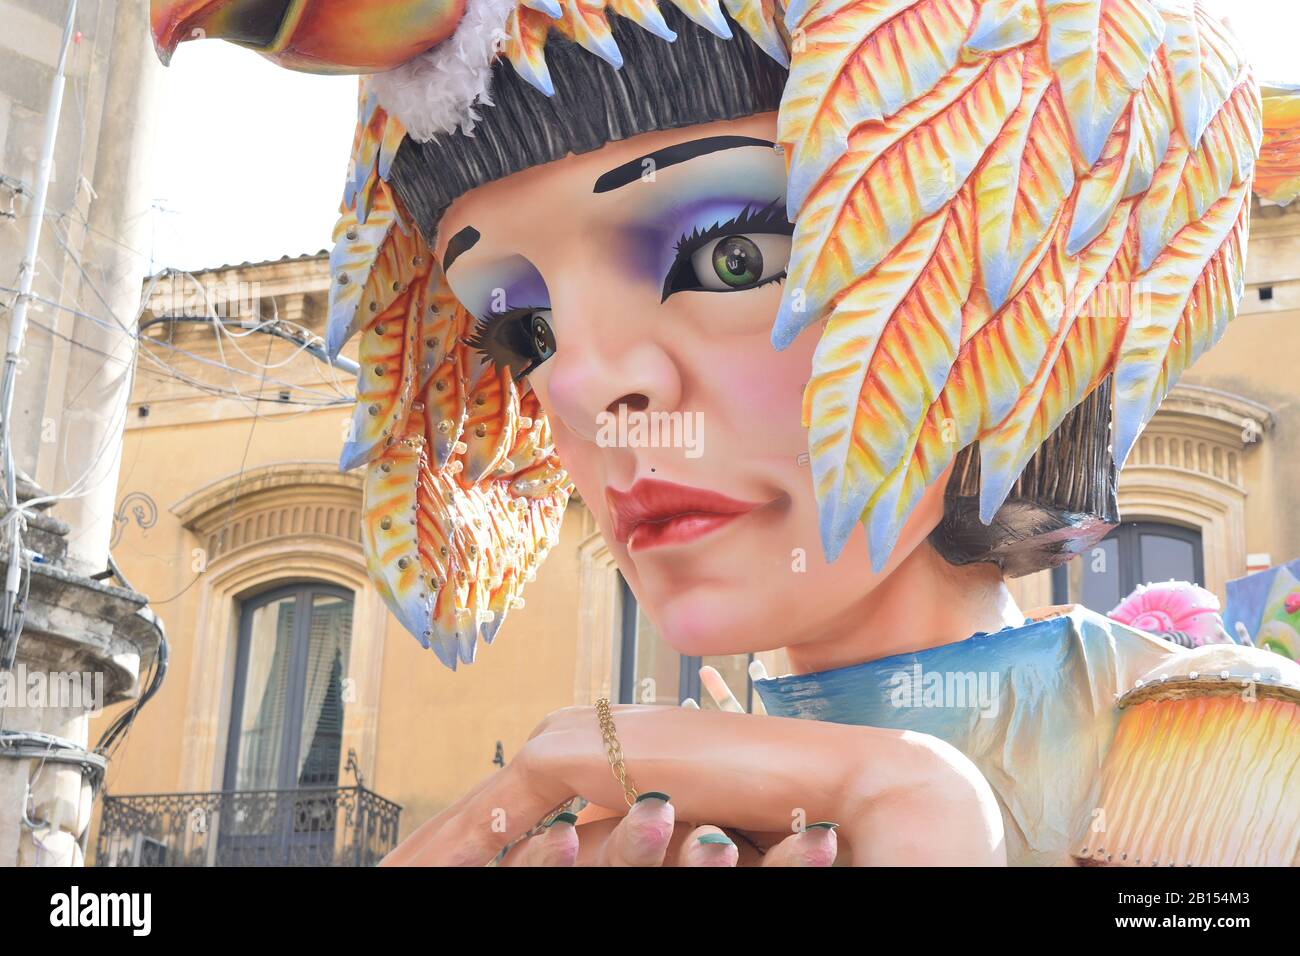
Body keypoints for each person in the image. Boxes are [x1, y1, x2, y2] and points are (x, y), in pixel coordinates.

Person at [151, 0, 1300, 866]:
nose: (593, 382)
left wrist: (913, 800)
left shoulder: (1237, 752)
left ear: (1027, 277)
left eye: (728, 255)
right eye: (524, 328)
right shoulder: (621, 818)